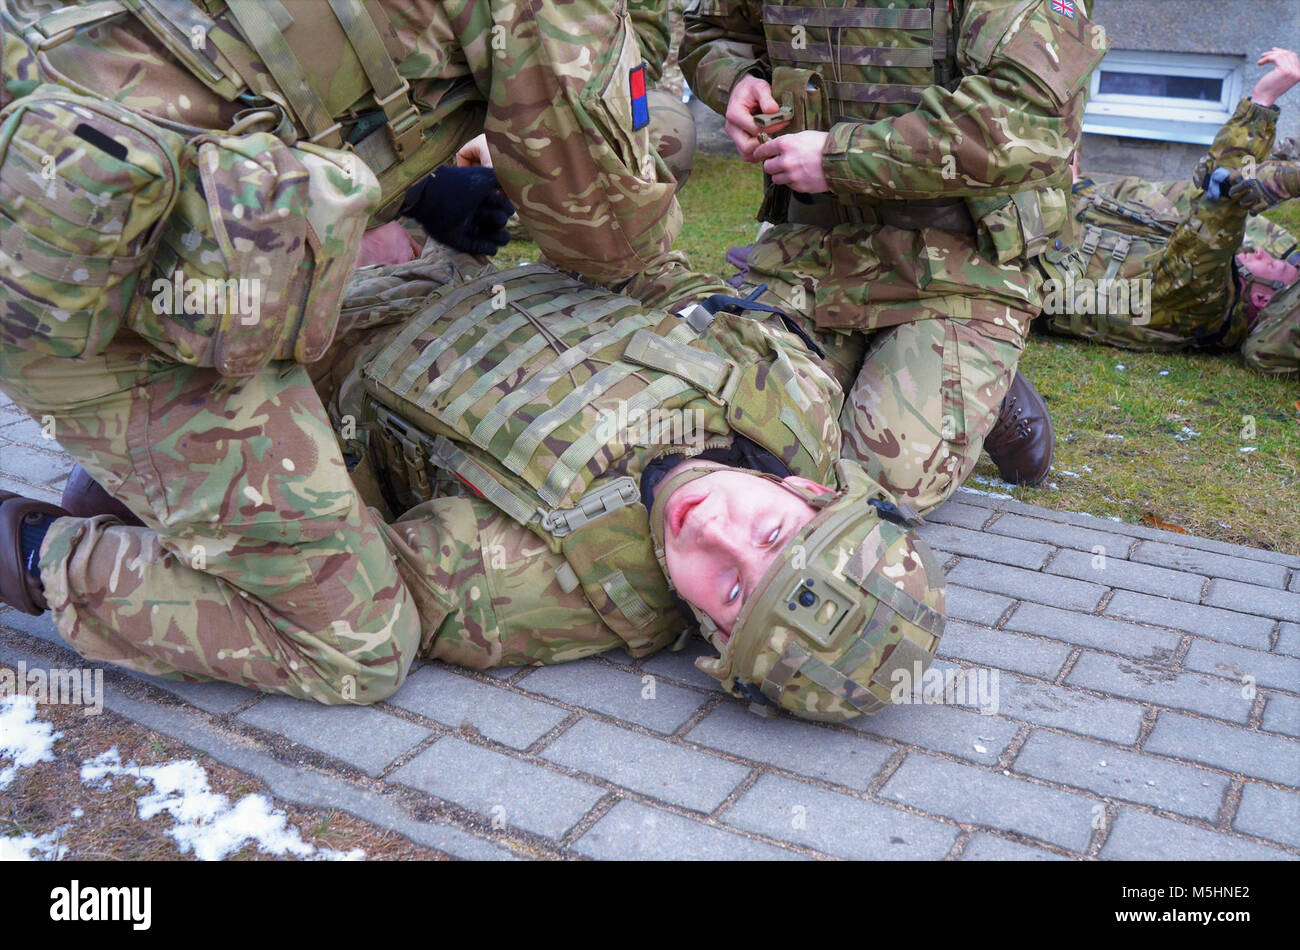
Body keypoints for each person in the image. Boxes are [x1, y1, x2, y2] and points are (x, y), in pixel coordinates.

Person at [0, 0, 696, 704]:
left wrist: (421, 188)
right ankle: (31, 552)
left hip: (92, 190)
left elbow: (277, 70)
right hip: (84, 265)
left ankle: (150, 488)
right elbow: (606, 236)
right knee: (356, 643)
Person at [4, 244, 948, 722]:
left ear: (709, 637)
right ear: (815, 494)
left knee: (362, 647)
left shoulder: (529, 587)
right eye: (774, 536)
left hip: (325, 362)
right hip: (454, 270)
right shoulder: (794, 396)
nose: (718, 536)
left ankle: (32, 550)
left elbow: (343, 597)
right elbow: (672, 270)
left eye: (734, 590)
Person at [680, 0, 1110, 503]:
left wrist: (841, 157)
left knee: (882, 481)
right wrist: (737, 80)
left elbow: (1029, 121)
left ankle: (979, 368)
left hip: (962, 264)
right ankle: (897, 373)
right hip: (815, 253)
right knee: (718, 437)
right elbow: (709, 30)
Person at [1041, 48, 1300, 365]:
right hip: (1060, 219)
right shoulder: (1228, 279)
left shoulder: (1201, 302)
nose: (1264, 252)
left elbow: (1221, 200)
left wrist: (1263, 102)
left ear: (1260, 296)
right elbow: (1212, 190)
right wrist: (1078, 187)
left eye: (1273, 265)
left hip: (1029, 259)